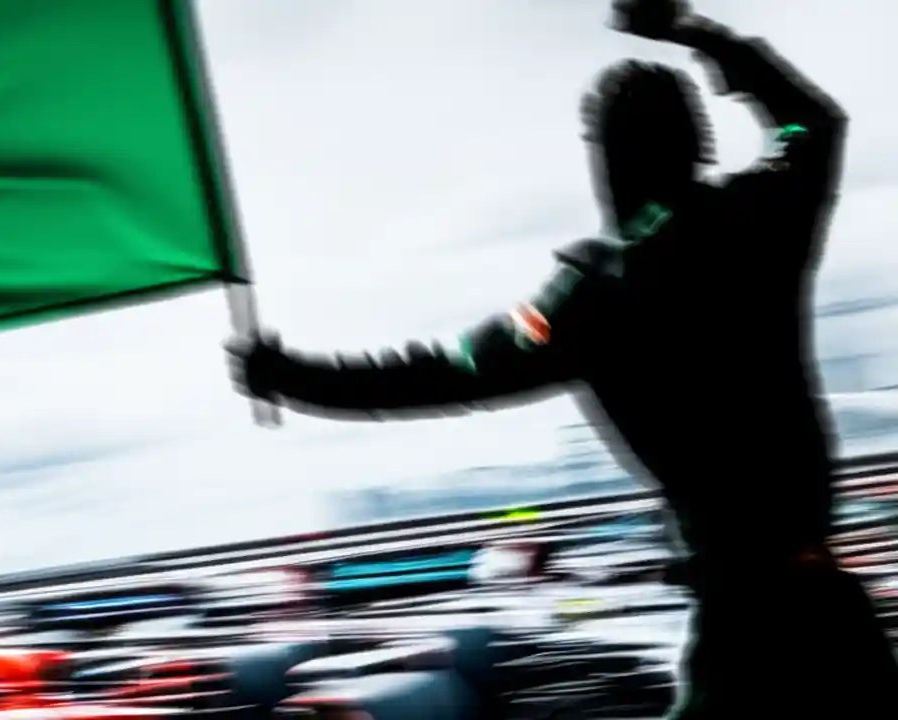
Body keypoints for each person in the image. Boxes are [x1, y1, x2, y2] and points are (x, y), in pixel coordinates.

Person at [226, 0, 898, 716]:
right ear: (698, 143)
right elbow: (812, 124)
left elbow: (440, 373)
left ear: (606, 165)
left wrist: (292, 377)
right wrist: (696, 33)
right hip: (830, 608)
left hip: (745, 631)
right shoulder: (761, 222)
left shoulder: (591, 301)